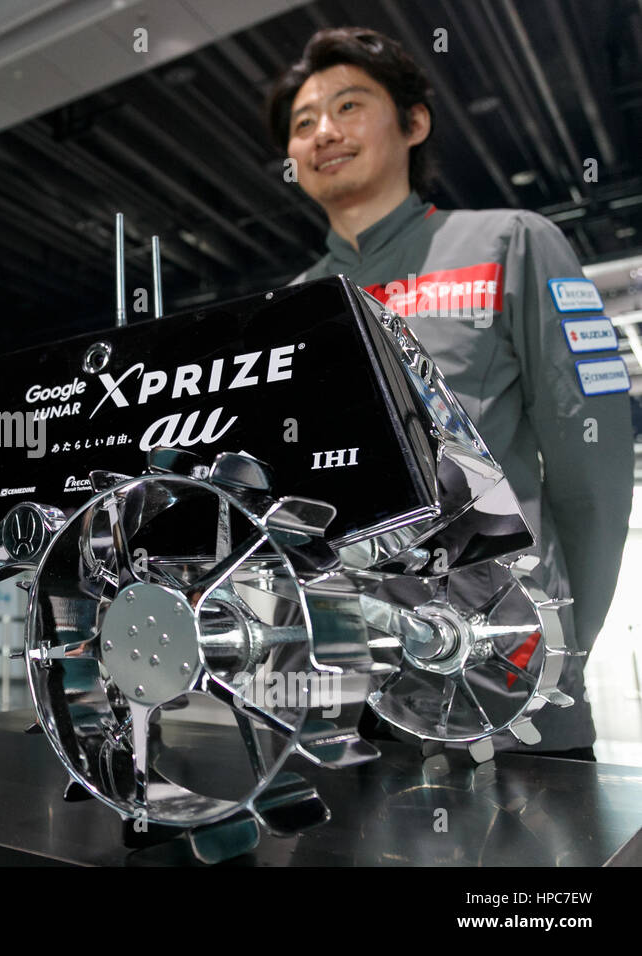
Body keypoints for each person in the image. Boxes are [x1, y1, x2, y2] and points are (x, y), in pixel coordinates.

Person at [264, 27, 633, 758]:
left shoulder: (514, 242)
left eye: (348, 106)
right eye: (303, 124)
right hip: (349, 700)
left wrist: (560, 650)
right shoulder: (289, 309)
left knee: (534, 868)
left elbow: (594, 470)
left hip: (508, 676)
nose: (323, 133)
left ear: (414, 122)